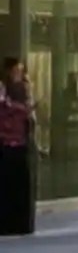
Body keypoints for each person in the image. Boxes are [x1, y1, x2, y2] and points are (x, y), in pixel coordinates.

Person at [0, 58, 35, 236]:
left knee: (20, 187)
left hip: (20, 145)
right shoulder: (3, 89)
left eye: (21, 71)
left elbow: (29, 112)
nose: (19, 75)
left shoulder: (24, 90)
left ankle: (21, 224)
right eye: (16, 71)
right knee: (6, 187)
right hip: (5, 146)